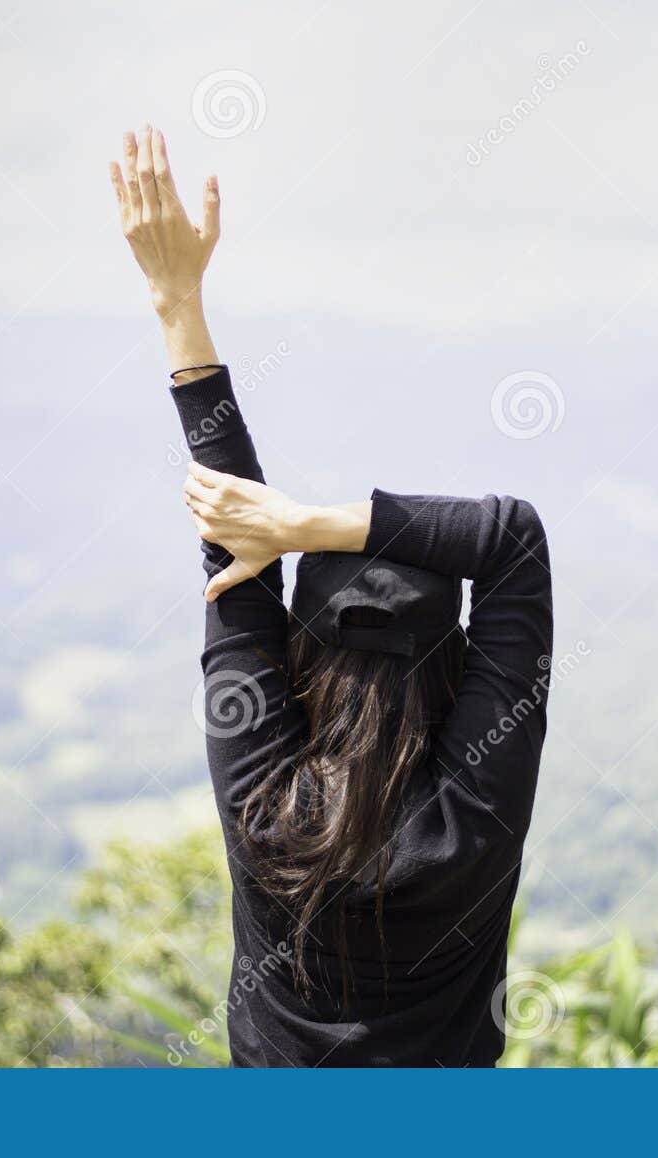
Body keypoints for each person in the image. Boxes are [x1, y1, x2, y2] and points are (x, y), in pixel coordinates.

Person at [108, 126, 554, 1066]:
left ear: (297, 658)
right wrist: (307, 523)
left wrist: (176, 299)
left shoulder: (267, 801)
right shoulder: (474, 809)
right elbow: (512, 538)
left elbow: (233, 551)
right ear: (460, 669)